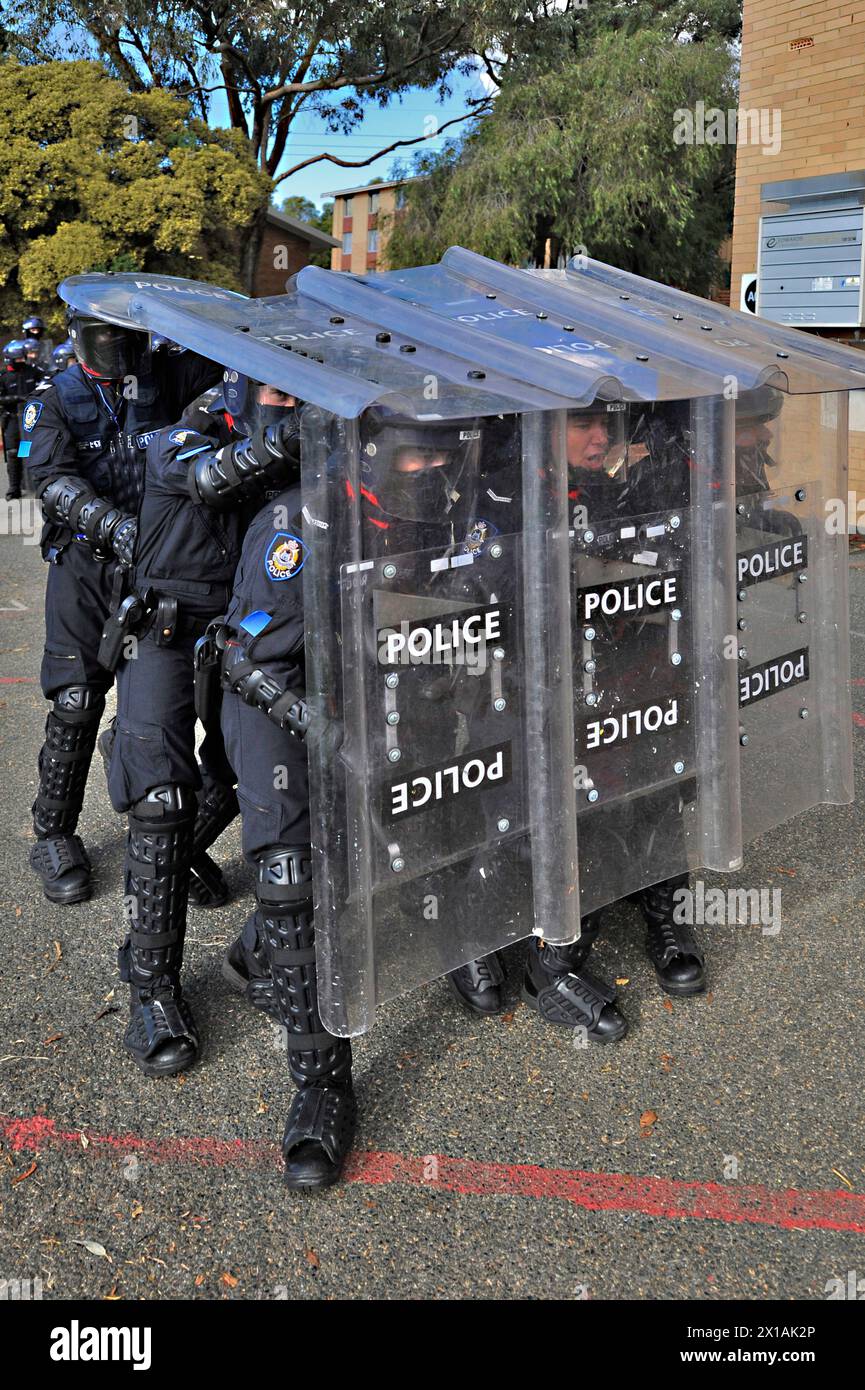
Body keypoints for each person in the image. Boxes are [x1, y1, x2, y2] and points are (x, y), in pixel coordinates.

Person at [105, 374, 299, 1076]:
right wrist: (297, 437)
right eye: (275, 395)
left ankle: (235, 936)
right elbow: (215, 481)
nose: (288, 406)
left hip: (233, 642)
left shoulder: (287, 457)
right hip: (160, 633)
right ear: (237, 393)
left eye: (296, 397)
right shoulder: (179, 440)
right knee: (162, 797)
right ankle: (151, 988)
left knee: (240, 775)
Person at [20, 309, 222, 905]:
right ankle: (53, 831)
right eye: (109, 335)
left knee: (161, 706)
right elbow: (50, 480)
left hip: (159, 569)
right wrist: (113, 526)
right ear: (83, 336)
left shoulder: (166, 375)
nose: (122, 347)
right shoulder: (54, 397)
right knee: (78, 698)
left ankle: (168, 842)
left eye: (129, 333)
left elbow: (229, 362)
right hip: (87, 565)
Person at [0, 339, 38, 500]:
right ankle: (14, 487)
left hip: (30, 418)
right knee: (13, 453)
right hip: (12, 420)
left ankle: (30, 483)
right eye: (18, 359)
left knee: (27, 450)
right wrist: (16, 398)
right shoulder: (4, 376)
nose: (21, 361)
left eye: (23, 358)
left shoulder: (31, 371)